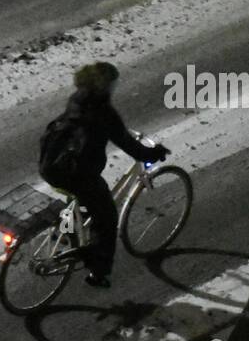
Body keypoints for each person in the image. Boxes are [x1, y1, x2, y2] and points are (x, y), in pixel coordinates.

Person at [39, 62, 169, 288]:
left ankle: (65, 232)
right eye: (112, 84)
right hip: (77, 172)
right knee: (107, 219)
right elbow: (130, 146)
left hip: (52, 165)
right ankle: (98, 273)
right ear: (104, 86)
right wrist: (154, 152)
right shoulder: (103, 112)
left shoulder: (77, 99)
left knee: (79, 201)